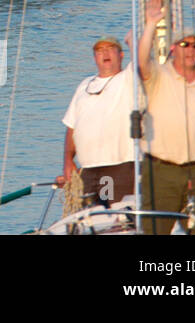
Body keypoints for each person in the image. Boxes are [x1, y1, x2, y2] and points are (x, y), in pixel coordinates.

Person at [137, 0, 195, 235]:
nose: (191, 49)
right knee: (155, 230)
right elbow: (142, 61)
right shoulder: (158, 76)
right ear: (173, 49)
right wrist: (150, 24)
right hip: (161, 169)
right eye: (185, 44)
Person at [57, 35, 136, 208]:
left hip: (118, 167)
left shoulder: (128, 79)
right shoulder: (84, 85)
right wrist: (68, 160)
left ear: (121, 55)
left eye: (110, 49)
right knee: (88, 219)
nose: (105, 53)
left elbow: (142, 62)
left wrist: (134, 42)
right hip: (88, 170)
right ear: (94, 57)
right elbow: (71, 126)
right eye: (100, 50)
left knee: (114, 220)